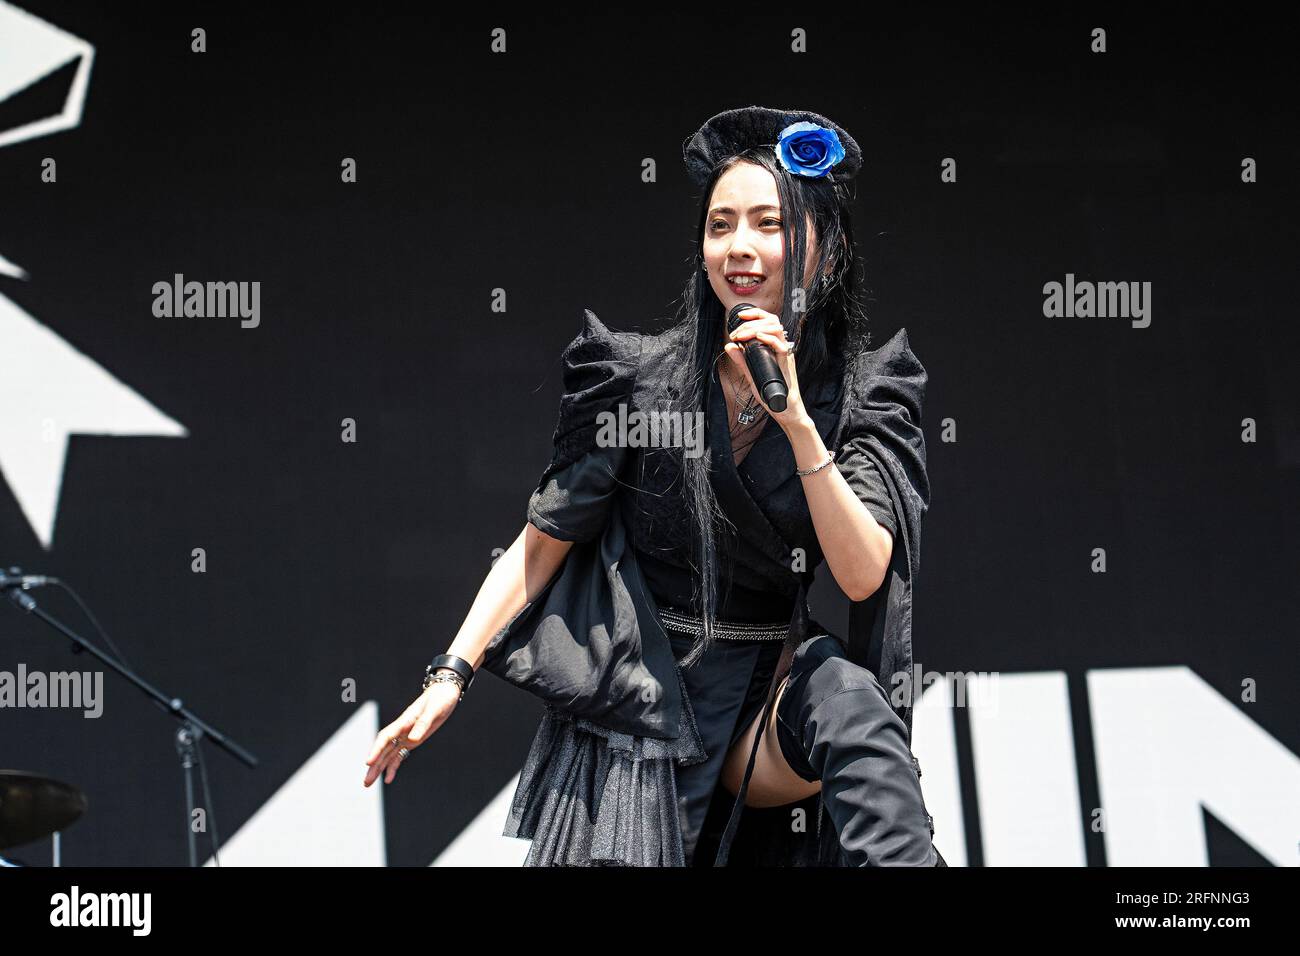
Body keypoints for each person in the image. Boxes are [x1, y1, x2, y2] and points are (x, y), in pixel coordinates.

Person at [364, 105, 946, 867]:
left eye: (768, 224)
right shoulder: (640, 383)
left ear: (826, 253)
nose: (739, 247)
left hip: (762, 705)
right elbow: (540, 547)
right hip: (644, 698)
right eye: (720, 224)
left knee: (849, 703)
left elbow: (865, 569)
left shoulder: (865, 391)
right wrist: (451, 674)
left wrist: (799, 424)